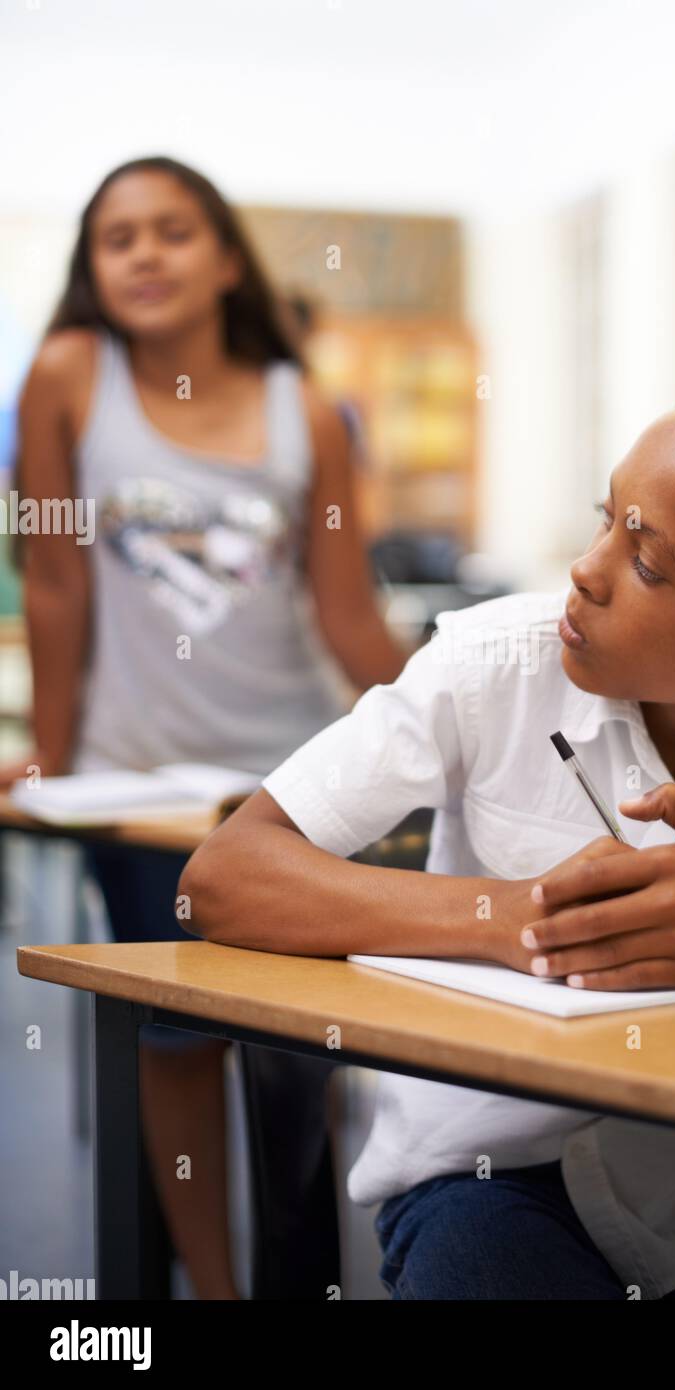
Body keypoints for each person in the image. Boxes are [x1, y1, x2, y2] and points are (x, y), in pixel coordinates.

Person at [178, 386, 675, 1299]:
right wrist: (509, 917)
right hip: (478, 1182)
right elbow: (223, 877)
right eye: (605, 521)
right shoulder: (489, 666)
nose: (585, 573)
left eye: (648, 566)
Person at [3, 155, 409, 1299]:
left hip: (292, 781)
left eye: (171, 230)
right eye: (114, 236)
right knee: (174, 1040)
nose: (142, 253)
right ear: (92, 267)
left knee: (295, 1054)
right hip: (137, 784)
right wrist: (56, 750)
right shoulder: (68, 376)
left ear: (227, 258)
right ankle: (216, 1292)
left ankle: (297, 1279)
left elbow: (344, 612)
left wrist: (449, 711)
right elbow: (56, 581)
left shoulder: (308, 410)